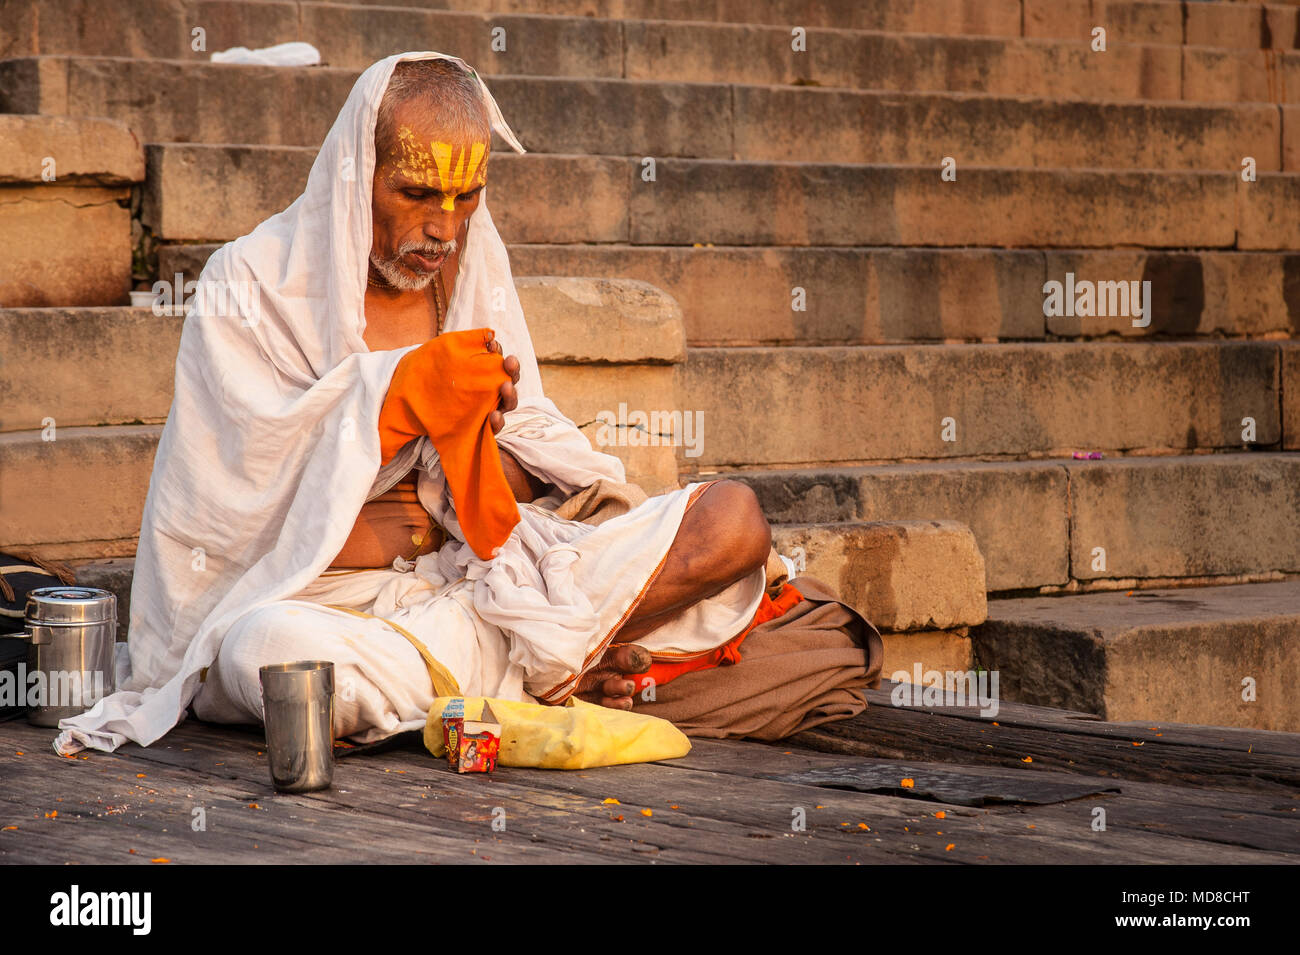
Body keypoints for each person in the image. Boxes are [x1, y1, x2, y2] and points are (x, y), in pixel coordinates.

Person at [53, 52, 785, 755]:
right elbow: (221, 509)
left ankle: (538, 664)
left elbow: (533, 462)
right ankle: (558, 663)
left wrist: (481, 433)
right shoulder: (248, 282)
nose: (445, 227)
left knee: (733, 521)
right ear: (355, 175)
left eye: (466, 198)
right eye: (416, 194)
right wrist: (396, 396)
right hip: (322, 606)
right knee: (267, 654)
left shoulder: (469, 266)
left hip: (480, 589)